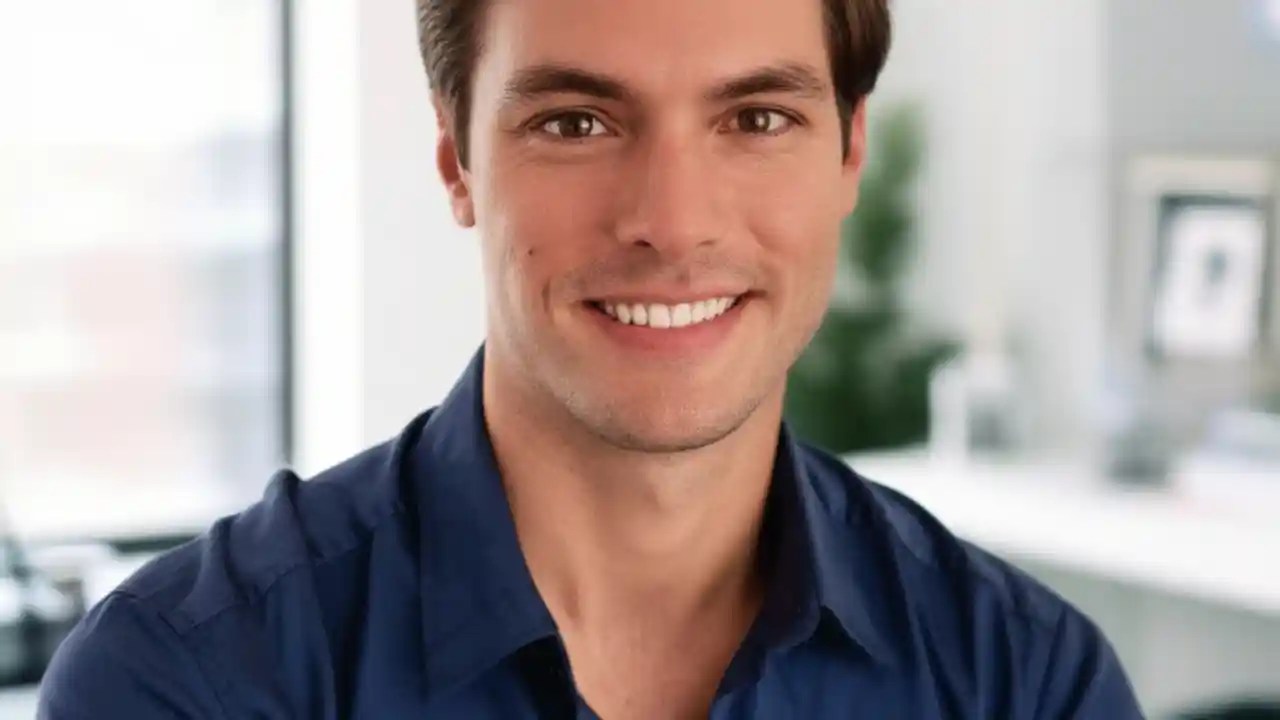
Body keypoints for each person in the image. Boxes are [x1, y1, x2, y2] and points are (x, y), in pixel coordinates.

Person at [38, 0, 1145, 717]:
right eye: (575, 123)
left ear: (849, 150)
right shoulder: (185, 685)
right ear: (454, 159)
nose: (670, 222)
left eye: (756, 119)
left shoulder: (1024, 685)